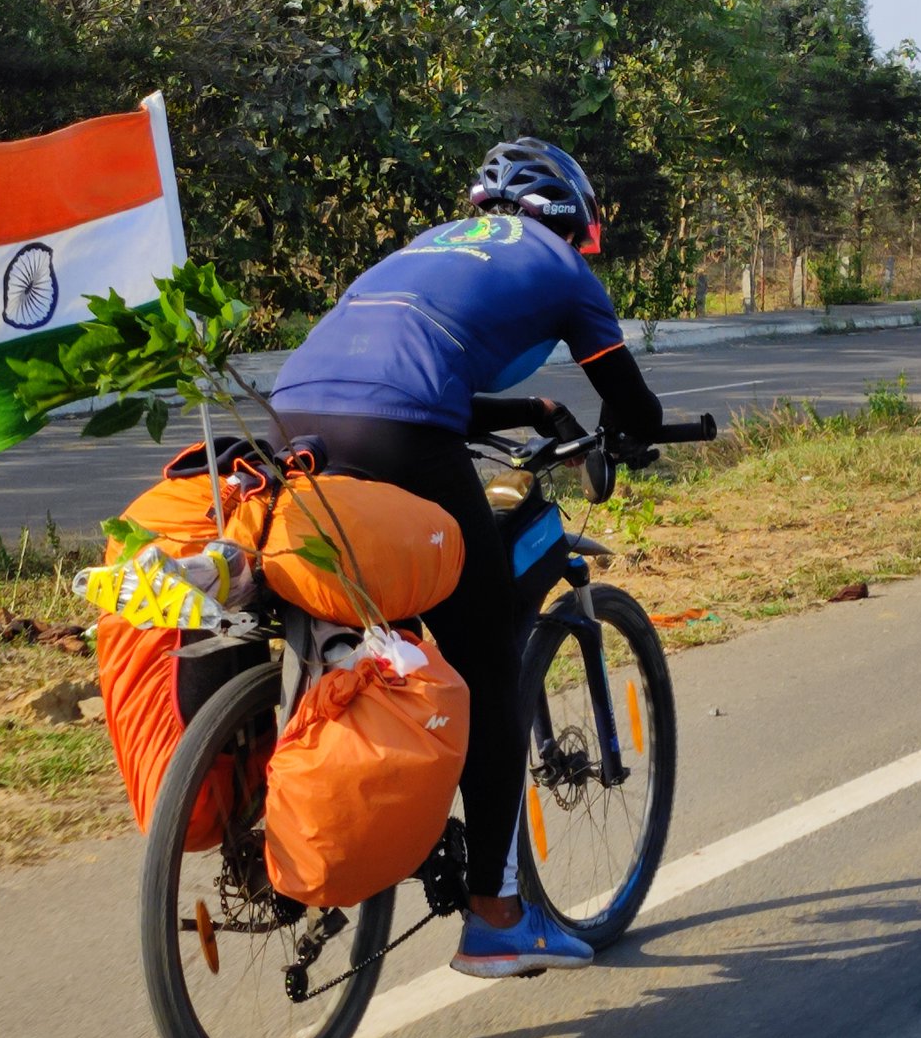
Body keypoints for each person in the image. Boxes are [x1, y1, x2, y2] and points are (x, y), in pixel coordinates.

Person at [269, 137, 663, 978]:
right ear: (571, 217)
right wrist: (637, 431)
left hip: (296, 412)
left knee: (373, 608)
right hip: (405, 429)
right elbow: (630, 397)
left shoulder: (427, 245)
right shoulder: (561, 265)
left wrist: (529, 405)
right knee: (487, 655)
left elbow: (408, 367)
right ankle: (495, 916)